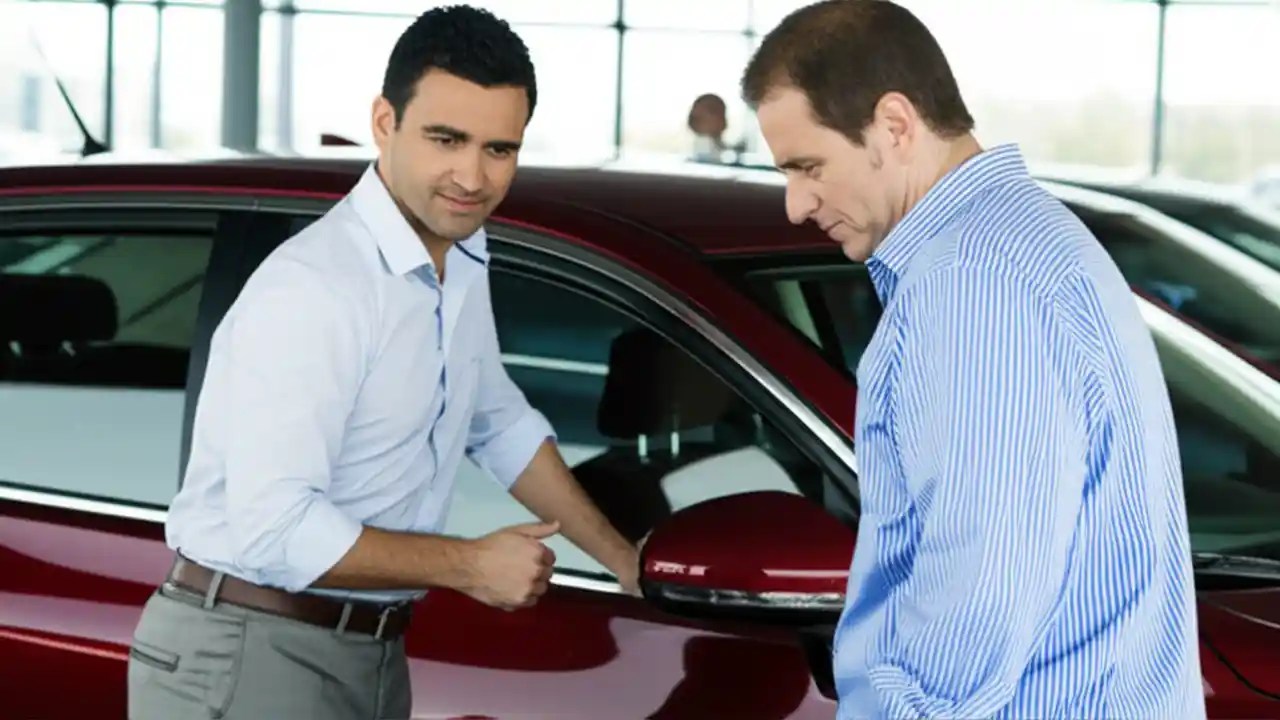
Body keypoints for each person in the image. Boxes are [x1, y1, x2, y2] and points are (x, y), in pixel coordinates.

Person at [127, 7, 640, 719]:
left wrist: (623, 561)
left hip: (369, 649)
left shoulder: (458, 255)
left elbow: (495, 420)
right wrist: (469, 564)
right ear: (383, 123)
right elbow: (275, 529)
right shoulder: (317, 288)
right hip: (250, 650)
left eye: (499, 148)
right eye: (446, 139)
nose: (472, 176)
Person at [742, 2, 1205, 718]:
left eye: (809, 166)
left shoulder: (973, 283)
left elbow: (975, 600)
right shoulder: (1026, 239)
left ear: (894, 126)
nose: (796, 204)